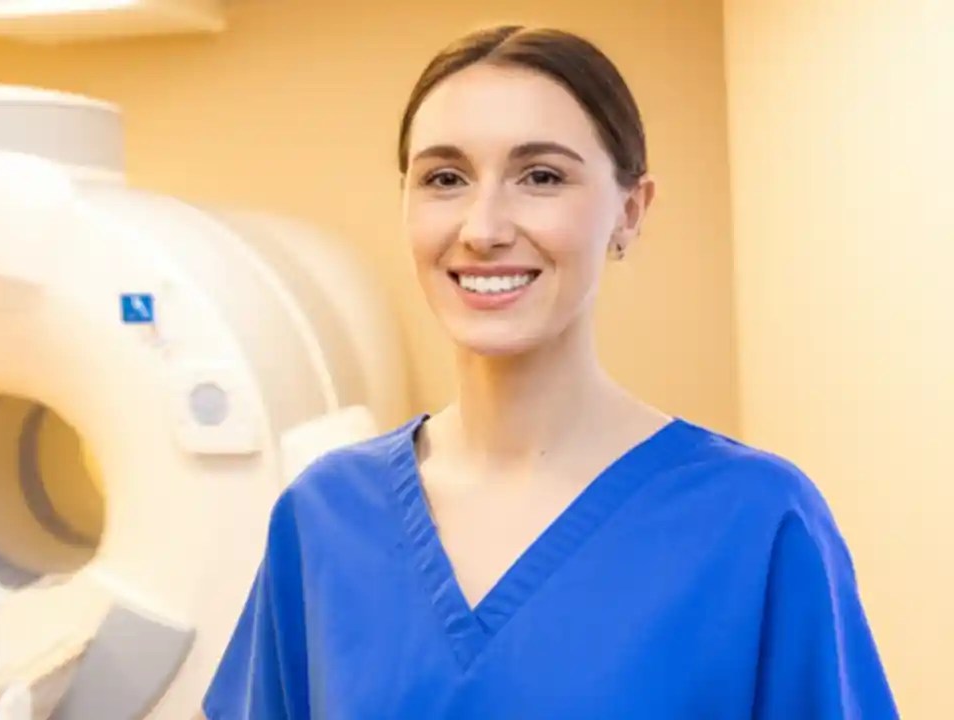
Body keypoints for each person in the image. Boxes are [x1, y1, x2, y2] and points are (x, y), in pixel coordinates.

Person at [197, 25, 899, 719]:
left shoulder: (755, 519)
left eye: (541, 177)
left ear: (630, 211)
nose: (484, 227)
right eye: (445, 178)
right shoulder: (326, 517)